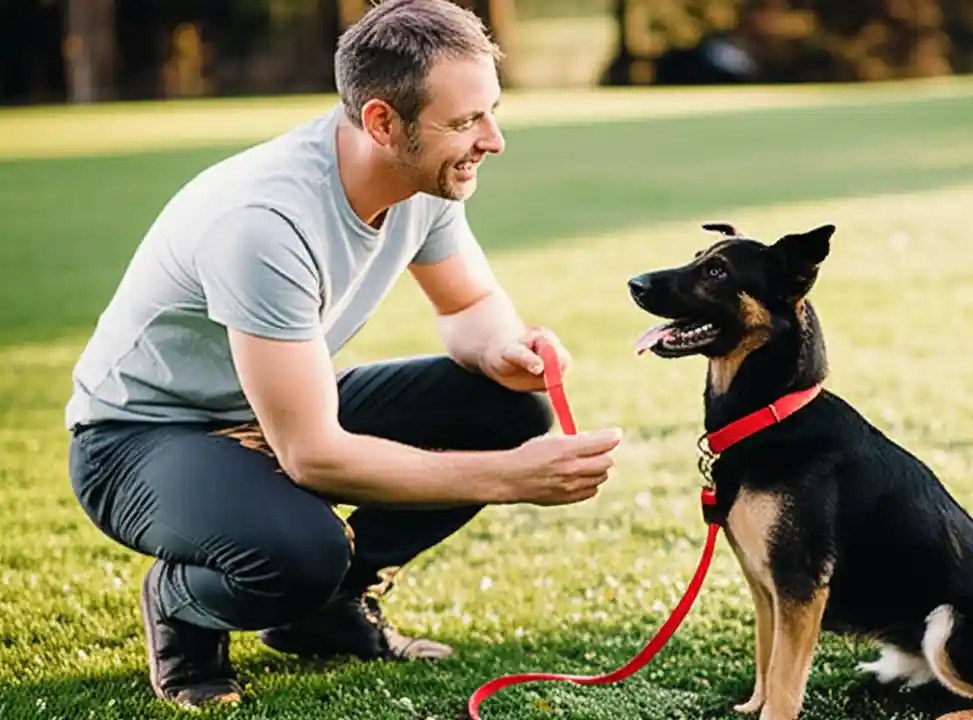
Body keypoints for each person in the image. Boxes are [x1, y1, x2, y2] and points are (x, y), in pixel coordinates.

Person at [65, 0, 622, 709]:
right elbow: (314, 457)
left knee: (506, 403)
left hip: (273, 412)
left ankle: (325, 612)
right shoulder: (263, 224)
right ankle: (182, 601)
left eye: (491, 111)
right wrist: (510, 478)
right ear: (383, 122)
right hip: (139, 440)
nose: (493, 140)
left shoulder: (425, 177)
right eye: (465, 122)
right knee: (302, 554)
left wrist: (503, 348)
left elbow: (467, 307)